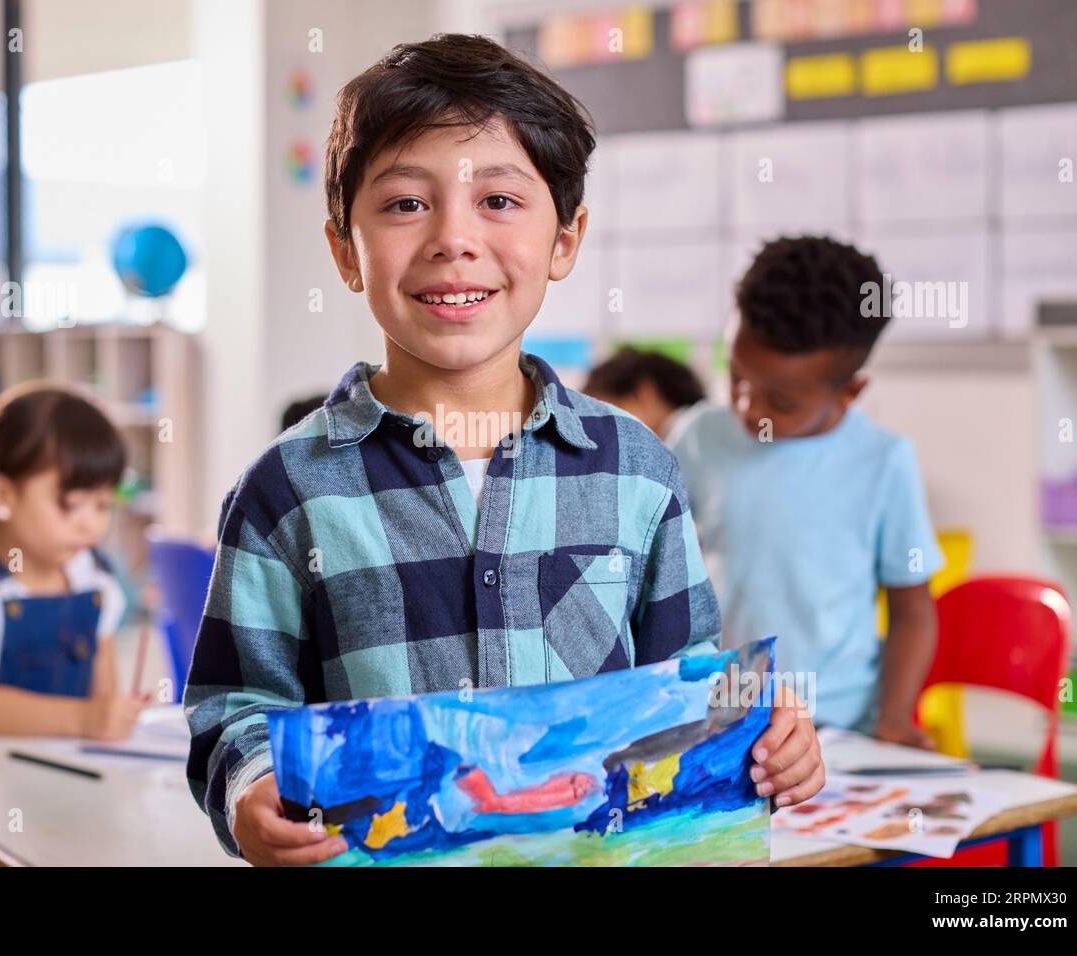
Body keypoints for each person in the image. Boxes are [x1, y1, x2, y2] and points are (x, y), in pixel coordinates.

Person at [185, 35, 823, 866]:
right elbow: (235, 705)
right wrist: (250, 787)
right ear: (346, 249)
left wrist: (770, 728)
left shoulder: (636, 468)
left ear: (565, 238)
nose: (455, 238)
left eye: (499, 201)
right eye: (407, 203)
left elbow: (690, 677)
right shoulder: (287, 488)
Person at [672, 236, 942, 742]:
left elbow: (912, 610)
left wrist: (893, 719)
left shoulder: (883, 462)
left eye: (781, 400)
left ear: (849, 393)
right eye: (735, 377)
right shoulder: (697, 436)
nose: (749, 408)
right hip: (718, 716)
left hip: (836, 727)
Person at [0, 382, 149, 865]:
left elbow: (102, 695)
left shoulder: (93, 578)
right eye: (70, 504)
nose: (92, 525)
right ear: (1, 495)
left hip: (62, 791)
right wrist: (87, 719)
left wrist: (113, 715)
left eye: (102, 505)